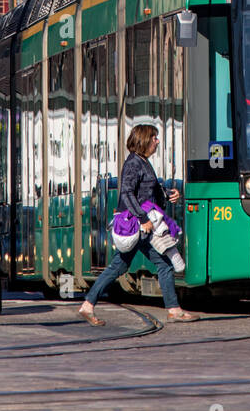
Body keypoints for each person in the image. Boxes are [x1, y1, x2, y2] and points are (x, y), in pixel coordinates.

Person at [78, 124, 198, 325]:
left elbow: (147, 193)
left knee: (119, 266)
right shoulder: (134, 163)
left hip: (140, 223)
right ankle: (174, 310)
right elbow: (126, 192)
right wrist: (143, 219)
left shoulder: (142, 162)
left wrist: (168, 195)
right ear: (144, 140)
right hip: (140, 225)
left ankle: (88, 305)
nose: (157, 142)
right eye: (154, 138)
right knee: (164, 264)